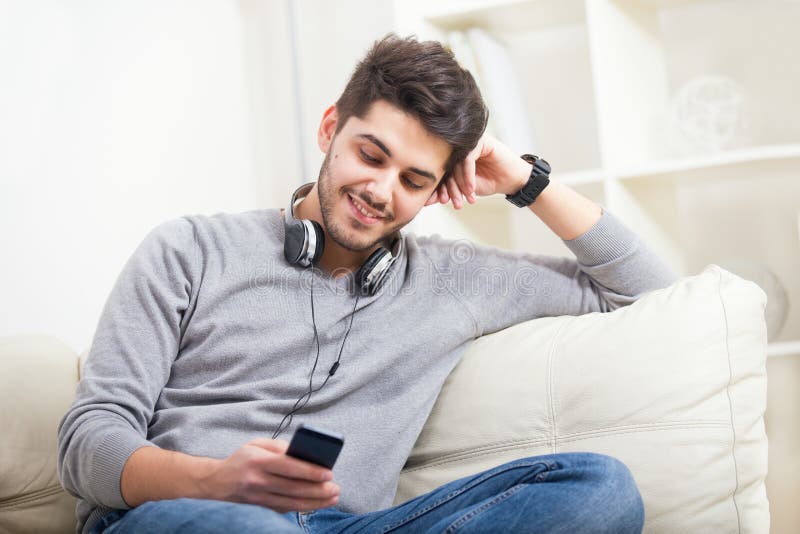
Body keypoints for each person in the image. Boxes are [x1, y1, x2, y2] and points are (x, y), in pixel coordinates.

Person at [57, 34, 676, 533]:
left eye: (413, 180)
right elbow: (89, 442)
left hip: (348, 528)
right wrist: (212, 481)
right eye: (371, 156)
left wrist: (521, 178)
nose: (380, 192)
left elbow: (648, 291)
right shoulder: (188, 249)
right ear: (330, 129)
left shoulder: (454, 280)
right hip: (182, 514)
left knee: (601, 491)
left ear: (438, 191)